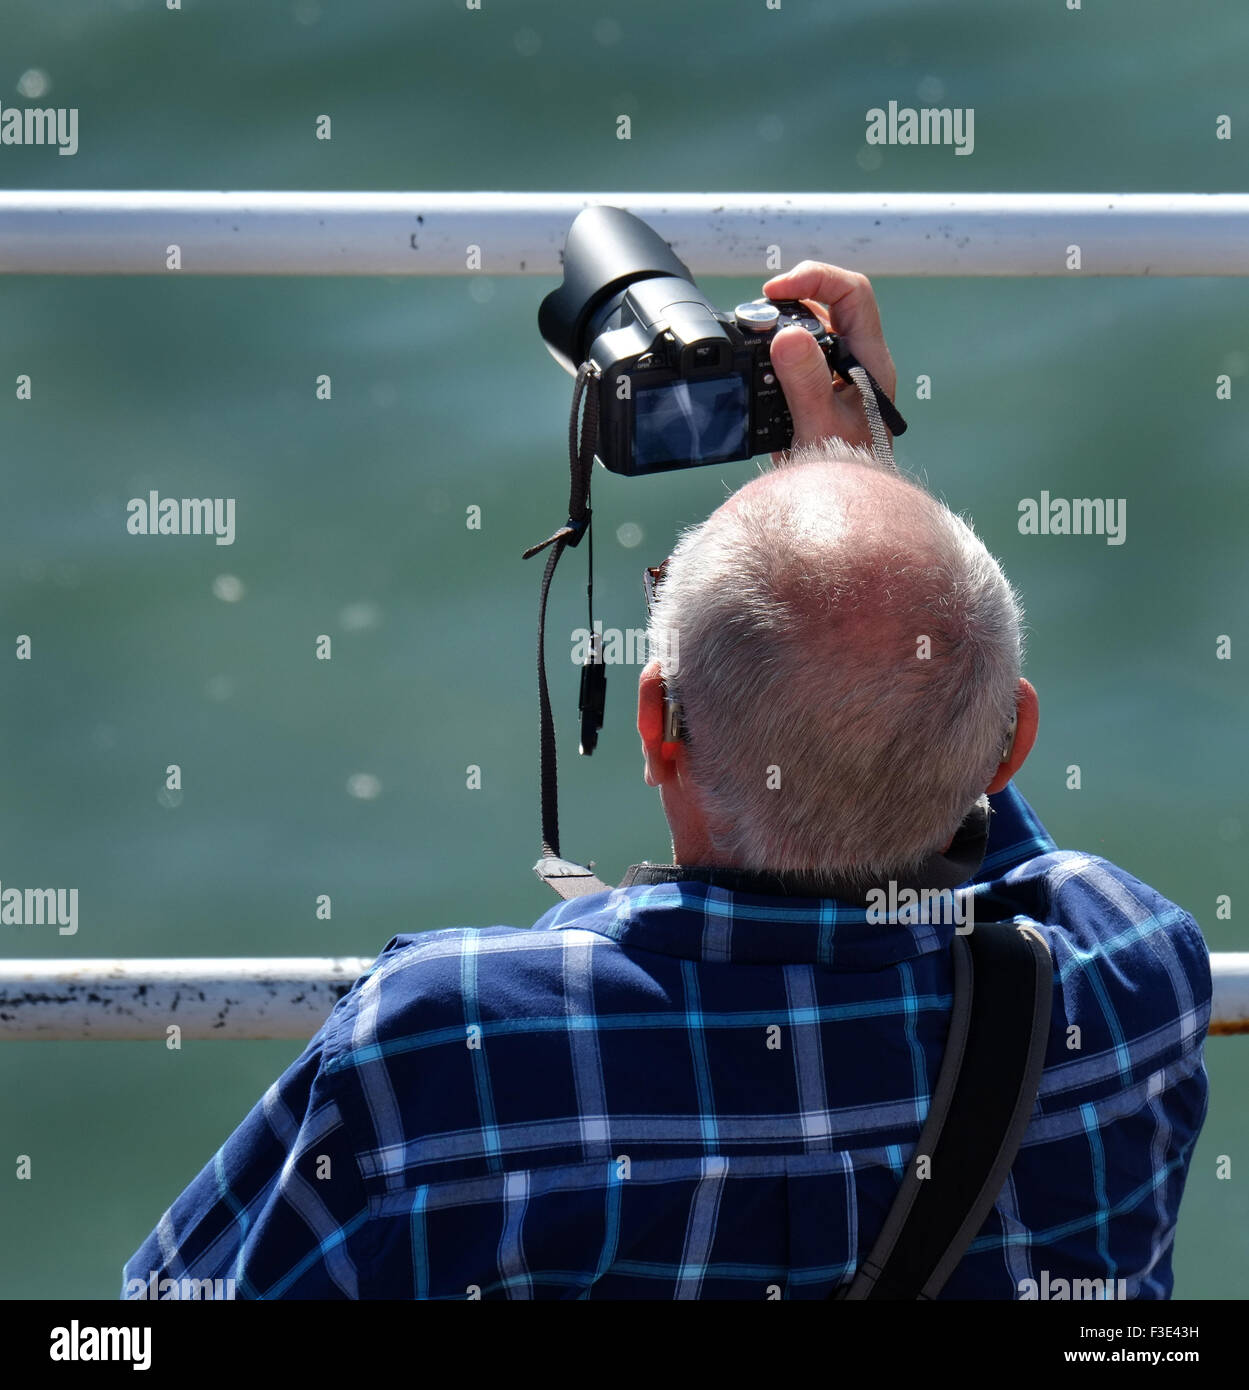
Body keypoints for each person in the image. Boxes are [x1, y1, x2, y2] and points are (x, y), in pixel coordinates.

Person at [122, 262, 1209, 1300]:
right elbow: (981, 836)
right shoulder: (1129, 979)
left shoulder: (451, 1050)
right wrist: (857, 486)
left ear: (656, 724)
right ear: (1011, 741)